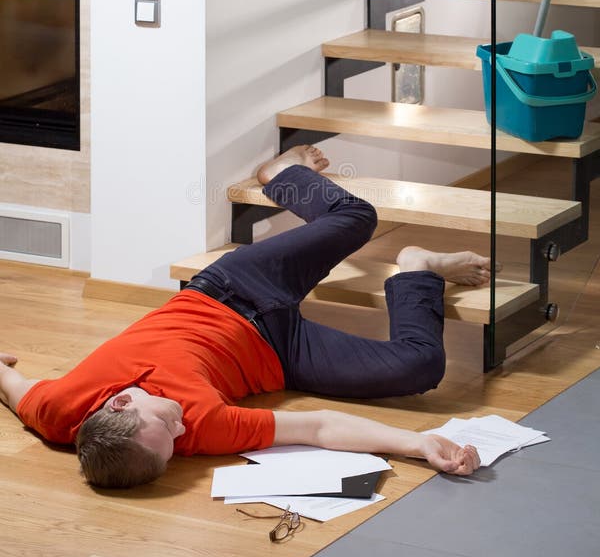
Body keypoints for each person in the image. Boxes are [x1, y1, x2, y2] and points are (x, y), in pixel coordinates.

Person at [0, 146, 487, 489]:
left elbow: (11, 386)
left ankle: (282, 175)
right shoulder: (201, 430)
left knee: (356, 218)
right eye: (174, 446)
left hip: (231, 291)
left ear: (119, 407)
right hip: (280, 351)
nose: (179, 431)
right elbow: (317, 428)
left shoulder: (57, 409)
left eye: (165, 428)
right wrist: (418, 443)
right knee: (419, 367)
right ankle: (418, 267)